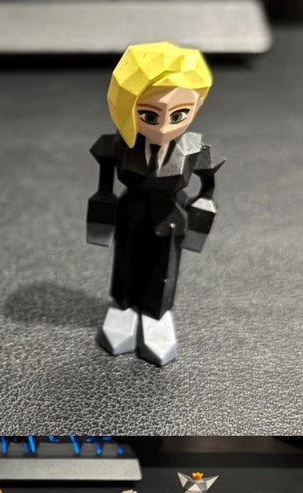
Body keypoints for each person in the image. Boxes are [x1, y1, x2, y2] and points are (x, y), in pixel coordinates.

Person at [87, 42, 223, 365]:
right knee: (126, 260)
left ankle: (157, 316)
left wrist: (202, 211)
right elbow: (104, 182)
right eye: (149, 115)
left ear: (197, 105)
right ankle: (122, 308)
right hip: (130, 212)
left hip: (170, 214)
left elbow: (209, 181)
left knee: (164, 265)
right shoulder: (118, 146)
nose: (163, 127)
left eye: (179, 115)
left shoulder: (194, 150)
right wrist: (101, 213)